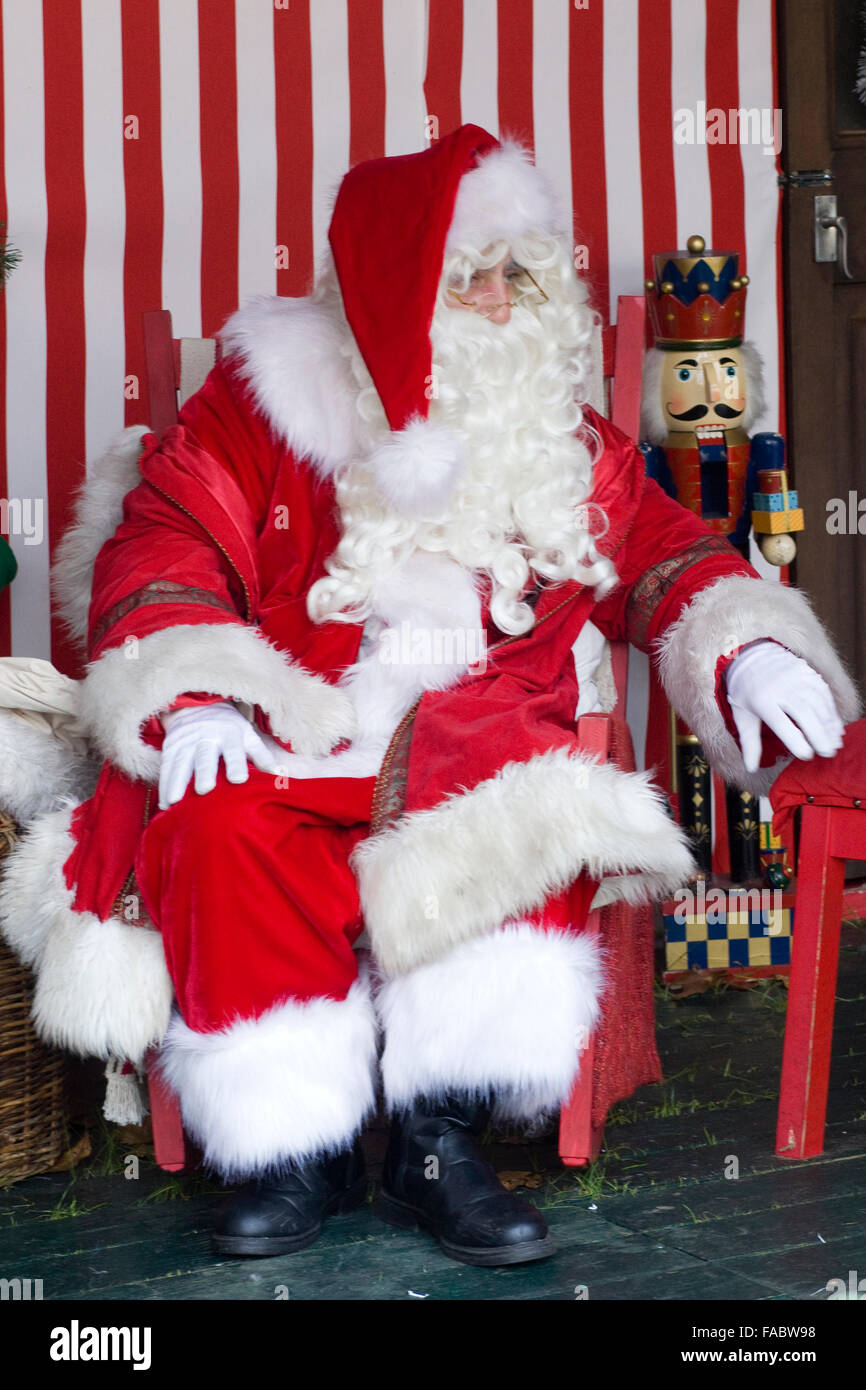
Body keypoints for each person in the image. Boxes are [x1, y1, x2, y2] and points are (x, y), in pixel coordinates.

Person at [3, 124, 859, 1268]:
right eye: (474, 277)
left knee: (525, 807)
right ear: (397, 289)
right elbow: (165, 537)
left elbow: (661, 546)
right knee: (214, 823)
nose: (507, 303)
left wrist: (738, 644)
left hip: (473, 728)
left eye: (521, 274)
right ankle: (284, 1145)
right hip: (295, 722)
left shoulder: (552, 434)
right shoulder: (259, 403)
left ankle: (432, 1141)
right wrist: (196, 687)